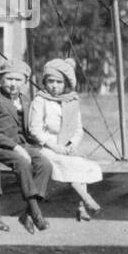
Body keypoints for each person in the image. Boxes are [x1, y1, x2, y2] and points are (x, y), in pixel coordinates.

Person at [0, 60, 52, 233]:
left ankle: (27, 214)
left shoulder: (25, 100)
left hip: (22, 144)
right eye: (9, 79)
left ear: (25, 82)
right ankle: (35, 212)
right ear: (1, 79)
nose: (13, 84)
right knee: (22, 162)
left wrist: (40, 145)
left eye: (18, 80)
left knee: (45, 164)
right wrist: (16, 148)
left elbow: (28, 129)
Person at [29, 57, 102, 221]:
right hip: (44, 146)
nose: (54, 86)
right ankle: (87, 200)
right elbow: (34, 130)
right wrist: (54, 146)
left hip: (65, 145)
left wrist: (71, 145)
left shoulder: (71, 101)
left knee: (82, 165)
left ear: (66, 83)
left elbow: (78, 129)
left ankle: (81, 208)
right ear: (44, 82)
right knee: (70, 164)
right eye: (50, 81)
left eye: (59, 82)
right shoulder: (40, 100)